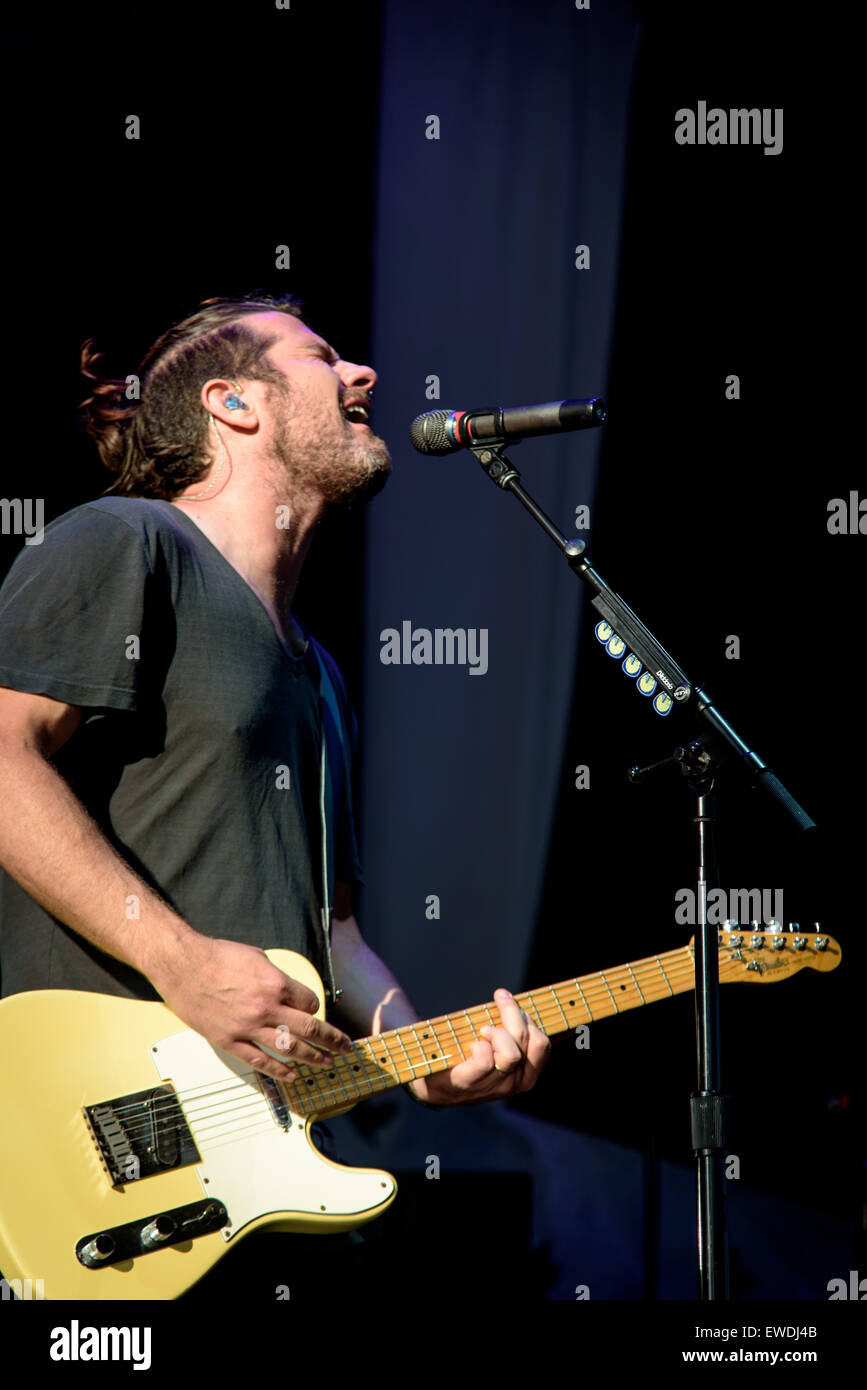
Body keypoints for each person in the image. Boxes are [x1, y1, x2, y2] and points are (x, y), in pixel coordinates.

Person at [0, 292, 551, 1116]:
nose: (362, 372)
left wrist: (423, 1056)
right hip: (93, 1110)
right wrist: (180, 961)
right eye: (322, 357)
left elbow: (333, 936)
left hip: (254, 1142)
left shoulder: (319, 670)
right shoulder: (125, 539)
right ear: (231, 402)